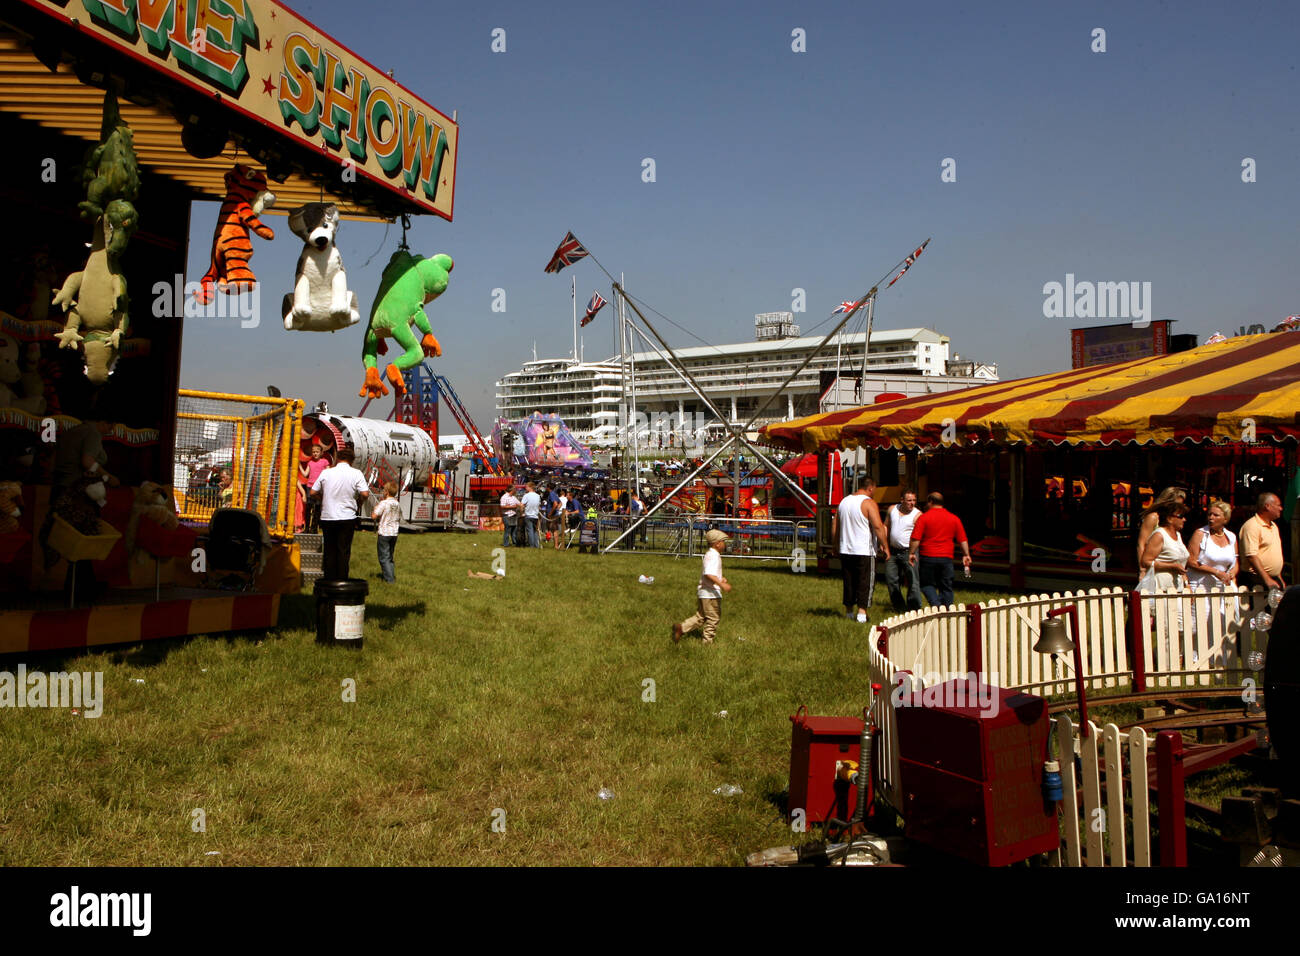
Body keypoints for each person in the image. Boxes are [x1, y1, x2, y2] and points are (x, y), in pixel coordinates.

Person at [832, 478, 889, 623]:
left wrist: (835, 545)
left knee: (849, 581)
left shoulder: (844, 502)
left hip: (846, 549)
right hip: (864, 550)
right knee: (865, 582)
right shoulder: (868, 503)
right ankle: (862, 613)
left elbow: (835, 527)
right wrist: (885, 546)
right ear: (870, 488)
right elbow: (878, 526)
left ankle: (849, 612)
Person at [311, 446, 370, 580]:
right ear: (351, 460)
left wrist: (323, 499)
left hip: (328, 516)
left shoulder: (326, 472)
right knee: (343, 551)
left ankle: (329, 580)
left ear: (338, 459)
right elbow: (365, 494)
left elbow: (313, 492)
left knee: (329, 551)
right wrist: (358, 502)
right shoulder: (356, 473)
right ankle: (342, 580)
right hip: (347, 517)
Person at [1187, 500, 1238, 644]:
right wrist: (1215, 571)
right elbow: (1190, 561)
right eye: (1209, 514)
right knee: (1199, 624)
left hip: (1222, 586)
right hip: (1201, 585)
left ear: (1225, 519)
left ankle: (1218, 659)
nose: (1211, 518)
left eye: (1216, 515)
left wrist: (1232, 573)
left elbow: (1235, 563)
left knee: (1221, 623)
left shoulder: (1232, 537)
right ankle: (1196, 659)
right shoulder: (1200, 534)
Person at [909, 492, 971, 608]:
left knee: (927, 584)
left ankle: (936, 605)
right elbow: (962, 540)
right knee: (946, 585)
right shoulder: (954, 518)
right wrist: (966, 554)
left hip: (928, 556)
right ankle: (947, 610)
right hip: (946, 558)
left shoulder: (924, 518)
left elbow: (915, 538)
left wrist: (911, 553)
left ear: (930, 502)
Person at [672, 529, 731, 644]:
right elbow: (708, 574)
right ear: (717, 543)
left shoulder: (711, 554)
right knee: (713, 618)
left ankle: (681, 628)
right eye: (724, 542)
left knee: (700, 617)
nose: (725, 544)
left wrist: (720, 579)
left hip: (705, 592)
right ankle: (707, 642)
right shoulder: (713, 556)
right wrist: (721, 584)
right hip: (710, 593)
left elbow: (711, 573)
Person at [885, 489, 923, 611]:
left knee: (913, 580)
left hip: (909, 552)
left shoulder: (918, 515)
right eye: (909, 500)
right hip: (893, 551)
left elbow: (919, 536)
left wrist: (913, 552)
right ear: (902, 500)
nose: (912, 503)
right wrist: (883, 543)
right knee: (891, 579)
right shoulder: (892, 509)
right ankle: (899, 606)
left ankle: (914, 607)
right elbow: (886, 526)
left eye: (914, 500)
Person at [1138, 501, 1190, 592]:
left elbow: (1181, 564)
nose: (1184, 520)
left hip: (1177, 586)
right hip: (1160, 586)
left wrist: (1186, 584)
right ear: (1169, 518)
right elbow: (1146, 562)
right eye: (1181, 517)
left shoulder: (1178, 535)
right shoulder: (1159, 535)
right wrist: (1171, 566)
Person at [1239, 492, 1285, 590]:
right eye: (1278, 505)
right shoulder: (1252, 526)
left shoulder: (1273, 526)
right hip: (1257, 580)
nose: (1280, 508)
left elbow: (1272, 553)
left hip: (1272, 579)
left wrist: (1278, 577)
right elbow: (1251, 556)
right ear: (1267, 506)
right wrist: (1267, 579)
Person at [1136, 487, 1186, 567]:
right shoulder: (1153, 517)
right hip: (1151, 563)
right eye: (1176, 504)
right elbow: (1142, 543)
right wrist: (1142, 568)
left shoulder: (1175, 520)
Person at [373, 480, 401, 583]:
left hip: (384, 532)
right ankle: (391, 575)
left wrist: (375, 508)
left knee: (383, 557)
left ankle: (390, 580)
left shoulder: (384, 503)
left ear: (387, 492)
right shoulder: (397, 503)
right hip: (394, 533)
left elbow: (374, 516)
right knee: (390, 556)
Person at [300, 444, 328, 533]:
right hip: (310, 487)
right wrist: (299, 466)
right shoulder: (310, 462)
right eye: (313, 452)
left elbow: (328, 473)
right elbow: (305, 474)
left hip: (319, 488)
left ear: (321, 453)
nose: (315, 454)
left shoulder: (324, 462)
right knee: (308, 507)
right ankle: (307, 528)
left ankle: (314, 528)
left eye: (317, 452)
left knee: (317, 507)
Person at [520, 481, 542, 548]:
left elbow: (522, 505)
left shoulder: (526, 495)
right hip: (535, 515)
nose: (525, 488)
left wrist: (522, 512)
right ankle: (536, 545)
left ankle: (531, 545)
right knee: (535, 531)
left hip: (528, 515)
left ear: (530, 487)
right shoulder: (538, 496)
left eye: (526, 487)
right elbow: (539, 506)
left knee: (530, 531)